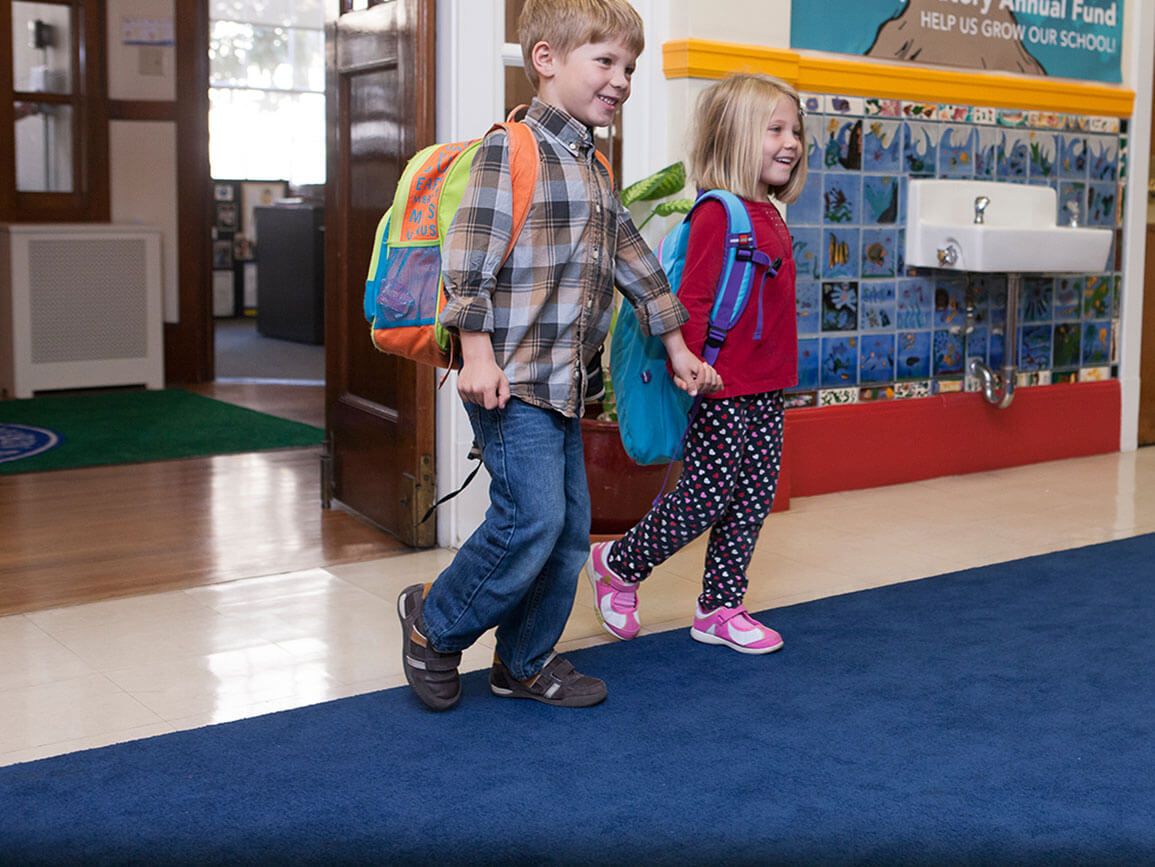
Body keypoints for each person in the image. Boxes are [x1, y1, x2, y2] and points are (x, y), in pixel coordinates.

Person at [396, 0, 721, 711]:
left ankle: (522, 658)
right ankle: (433, 622)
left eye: (629, 67)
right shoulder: (506, 150)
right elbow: (467, 263)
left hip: (564, 384)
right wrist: (475, 353)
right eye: (604, 61)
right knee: (529, 521)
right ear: (546, 60)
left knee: (569, 531)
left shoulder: (595, 169)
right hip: (508, 381)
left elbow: (636, 265)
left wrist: (675, 344)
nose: (622, 79)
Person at [586, 73, 807, 655]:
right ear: (735, 136)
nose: (791, 143)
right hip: (721, 386)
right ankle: (617, 563)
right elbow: (696, 298)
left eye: (796, 131)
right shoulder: (720, 212)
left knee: (753, 496)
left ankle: (720, 607)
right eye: (775, 130)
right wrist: (691, 363)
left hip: (765, 387)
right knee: (705, 497)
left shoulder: (772, 212)